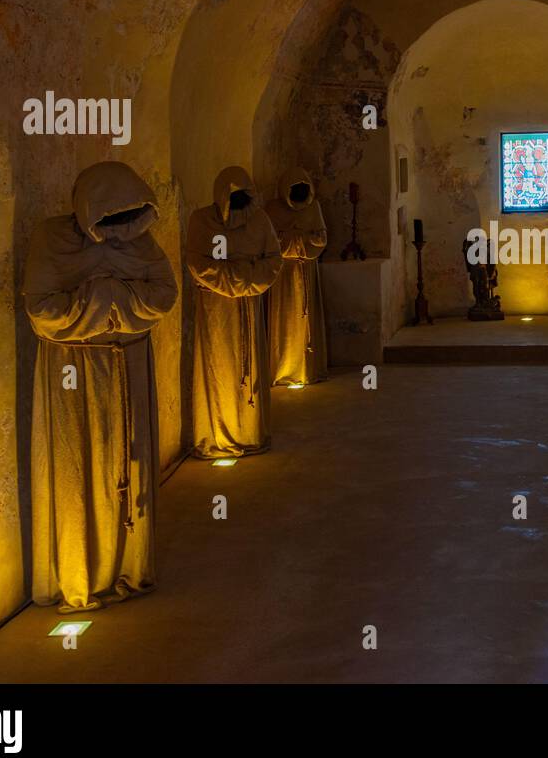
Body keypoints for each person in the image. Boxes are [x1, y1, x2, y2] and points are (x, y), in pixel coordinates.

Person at [23, 161, 176, 611]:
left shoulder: (140, 241)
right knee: (79, 470)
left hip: (129, 366)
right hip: (74, 372)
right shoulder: (52, 240)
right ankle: (80, 571)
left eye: (126, 217)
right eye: (108, 217)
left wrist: (102, 296)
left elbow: (164, 294)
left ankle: (129, 563)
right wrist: (111, 298)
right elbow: (43, 310)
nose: (117, 230)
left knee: (129, 461)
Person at [187, 166, 282, 458]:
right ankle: (218, 433)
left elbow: (273, 259)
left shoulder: (260, 220)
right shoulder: (202, 220)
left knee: (249, 366)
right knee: (218, 370)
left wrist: (239, 280)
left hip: (248, 307)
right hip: (216, 310)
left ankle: (249, 431)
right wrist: (242, 279)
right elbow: (199, 263)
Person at [265, 168, 328, 387]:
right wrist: (299, 238)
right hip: (283, 274)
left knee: (305, 318)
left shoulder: (314, 208)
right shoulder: (273, 209)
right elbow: (271, 242)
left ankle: (307, 368)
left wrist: (294, 239)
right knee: (284, 321)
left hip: (306, 271)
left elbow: (320, 239)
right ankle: (283, 368)